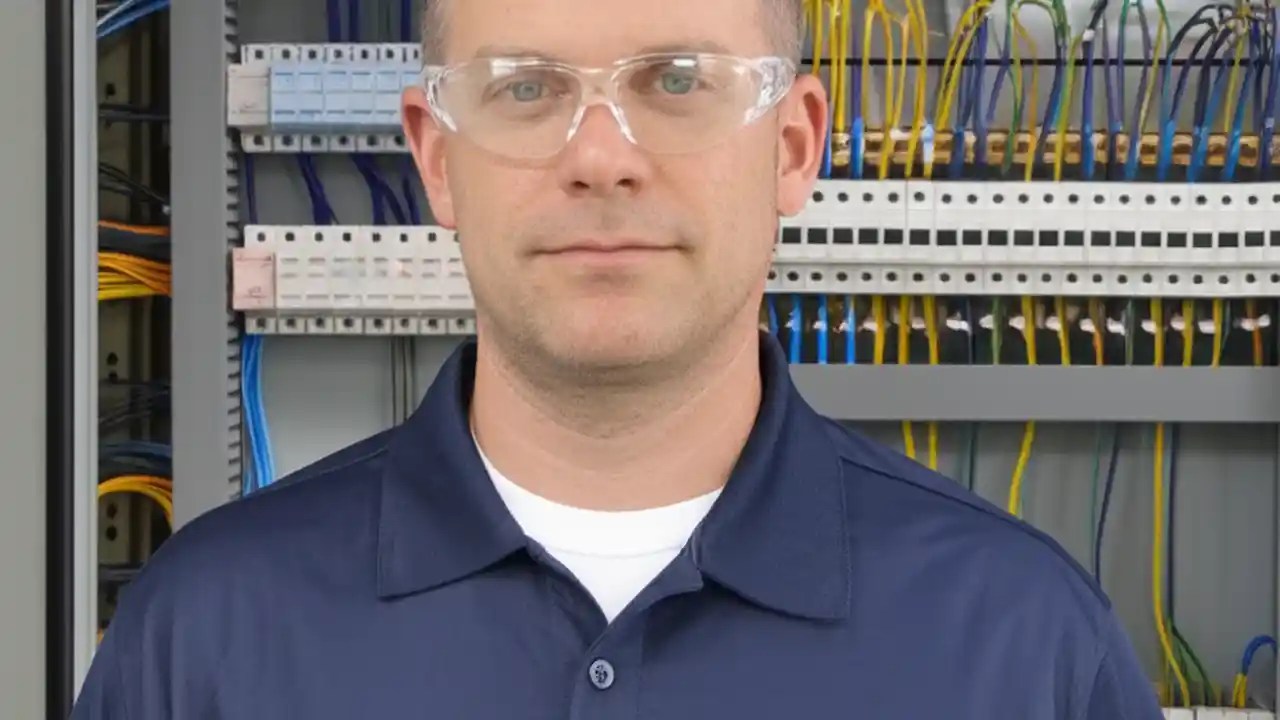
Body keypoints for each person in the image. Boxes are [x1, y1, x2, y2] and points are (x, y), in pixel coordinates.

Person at [72, 0, 1163, 717]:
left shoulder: (1022, 648)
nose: (600, 157)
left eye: (677, 81)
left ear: (792, 147)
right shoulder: (204, 641)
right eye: (526, 88)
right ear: (435, 160)